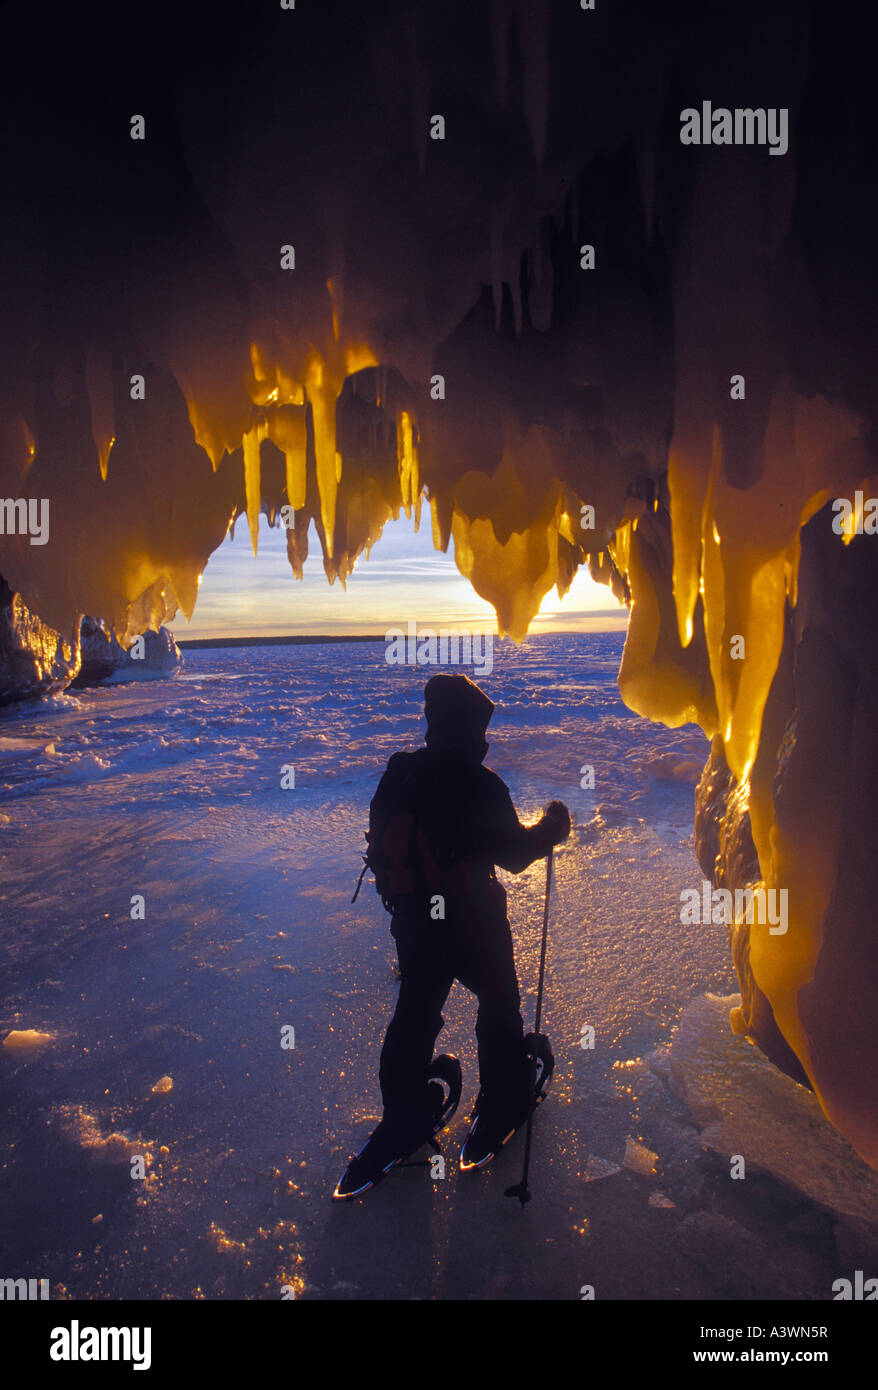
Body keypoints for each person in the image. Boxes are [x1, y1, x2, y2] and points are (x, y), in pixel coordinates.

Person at [345, 672, 570, 1185]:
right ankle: (502, 1102)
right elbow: (513, 857)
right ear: (466, 729)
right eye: (480, 729)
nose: (485, 740)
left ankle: (401, 1116)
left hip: (414, 926)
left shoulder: (398, 775)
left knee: (415, 1016)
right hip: (475, 928)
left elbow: (379, 845)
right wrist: (553, 829)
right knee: (498, 1005)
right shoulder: (479, 784)